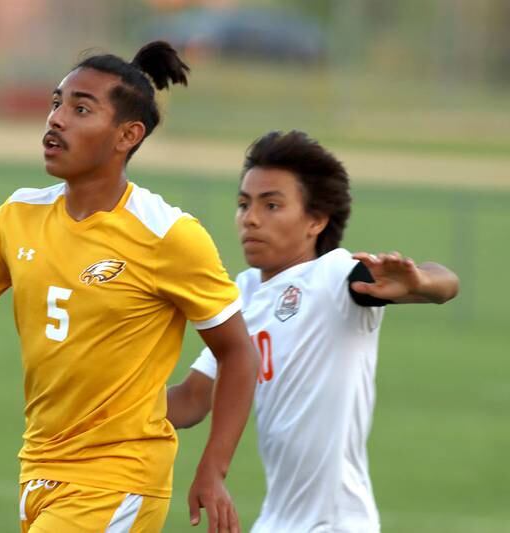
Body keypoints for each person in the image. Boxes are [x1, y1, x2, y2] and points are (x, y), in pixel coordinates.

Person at [0, 41, 260, 533]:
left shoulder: (167, 235)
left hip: (119, 475)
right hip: (40, 467)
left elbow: (237, 353)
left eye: (81, 109)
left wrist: (213, 467)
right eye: (56, 103)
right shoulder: (19, 215)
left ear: (128, 134)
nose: (57, 119)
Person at [166, 130, 460, 532]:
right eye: (243, 203)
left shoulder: (335, 277)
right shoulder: (243, 293)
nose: (251, 218)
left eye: (272, 205)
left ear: (316, 220)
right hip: (278, 520)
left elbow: (447, 282)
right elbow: (192, 400)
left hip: (338, 522)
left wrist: (420, 283)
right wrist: (99, 402)